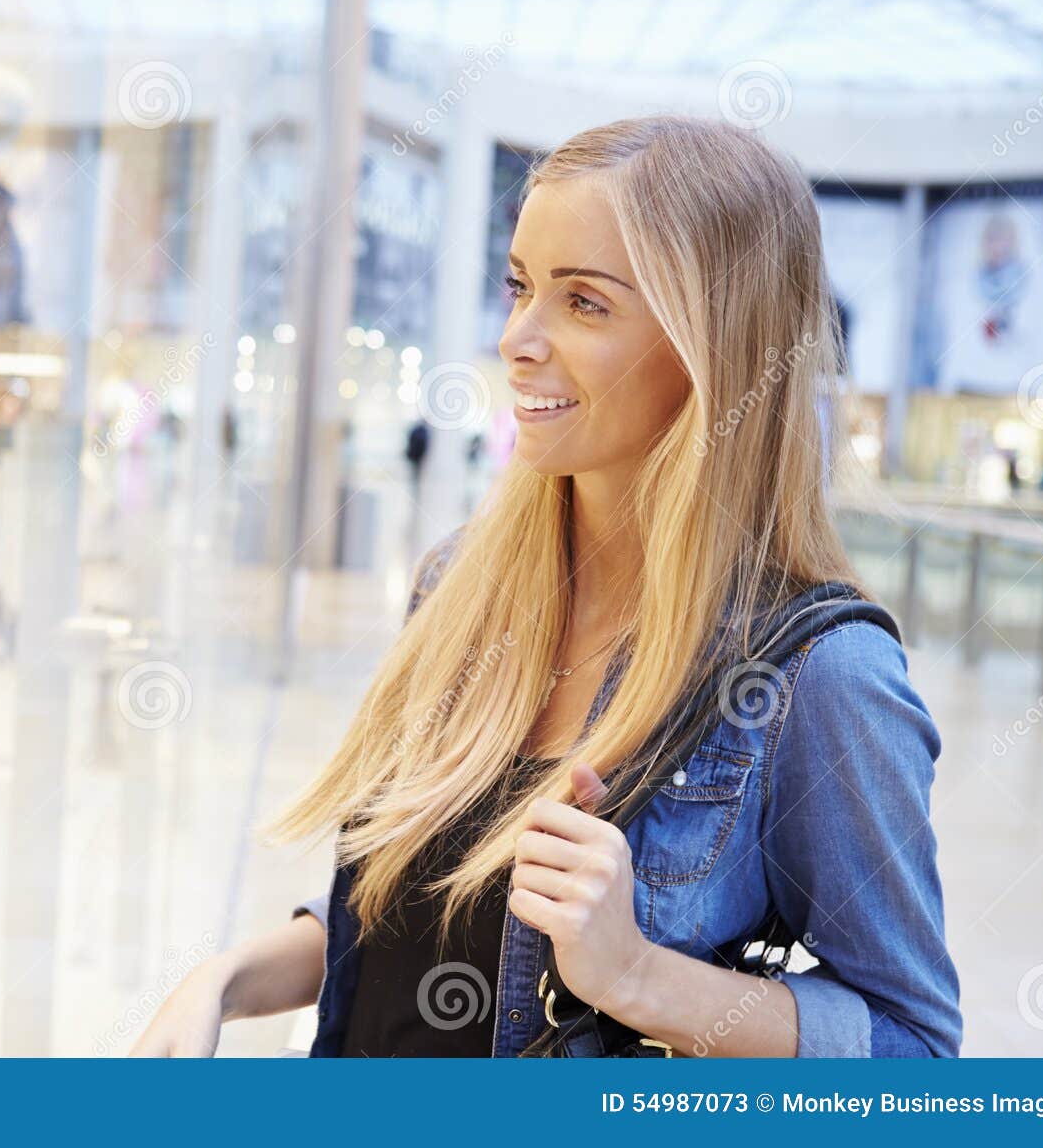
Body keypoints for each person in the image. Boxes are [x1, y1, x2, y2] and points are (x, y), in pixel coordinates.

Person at [130, 115, 960, 1058]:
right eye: (520, 286)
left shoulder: (818, 675)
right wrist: (228, 980)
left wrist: (640, 974)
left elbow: (916, 1049)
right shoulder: (461, 585)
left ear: (715, 350)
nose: (517, 338)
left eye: (585, 303)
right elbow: (420, 906)